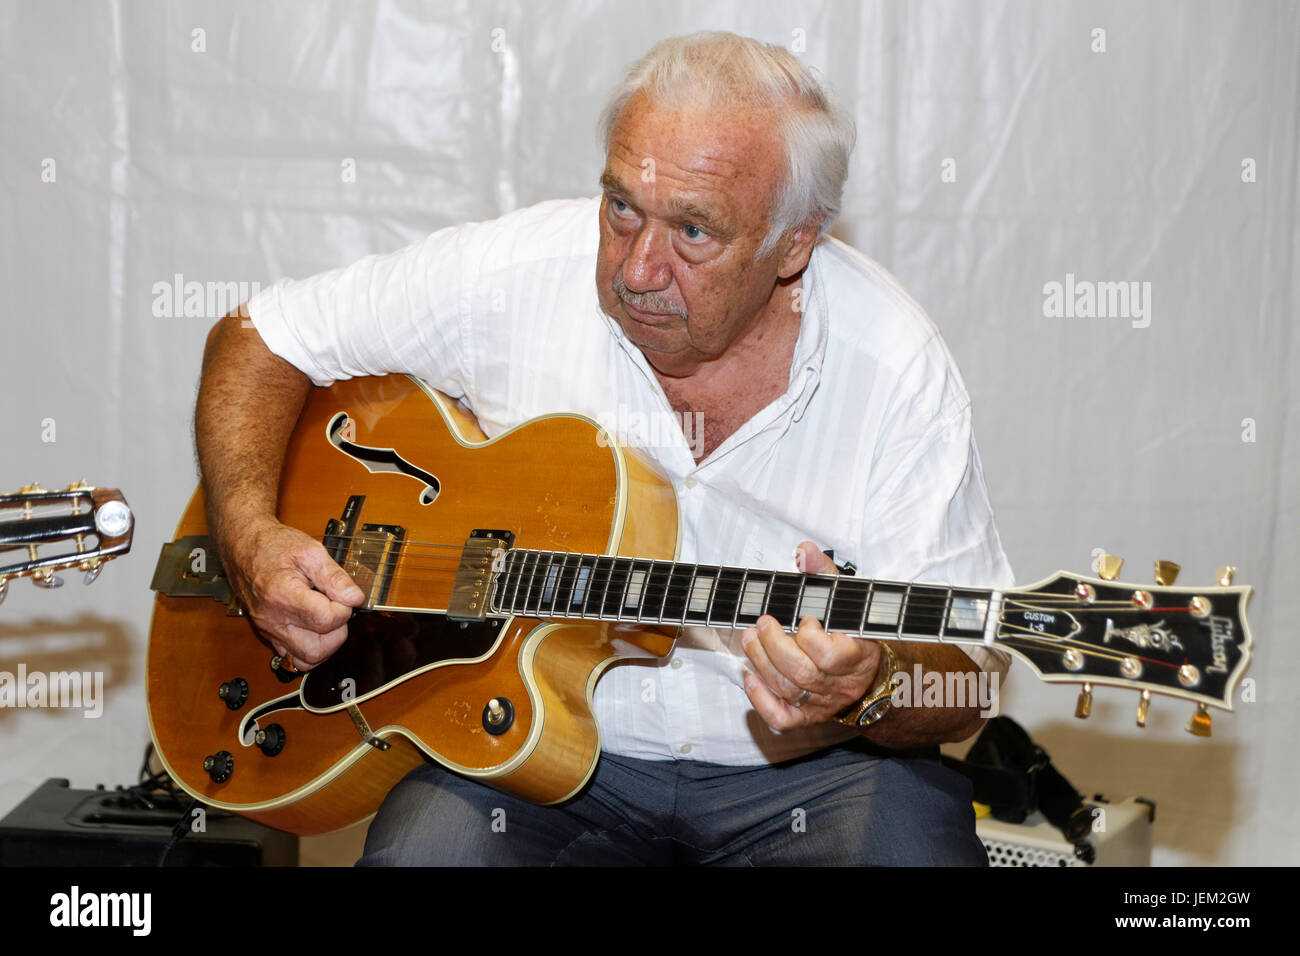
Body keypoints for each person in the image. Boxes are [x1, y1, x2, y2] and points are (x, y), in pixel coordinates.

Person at [195, 31, 1013, 865]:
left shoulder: (895, 366)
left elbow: (970, 681)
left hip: (821, 774)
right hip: (526, 753)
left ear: (793, 243)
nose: (638, 269)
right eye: (621, 208)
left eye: (695, 231)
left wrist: (871, 684)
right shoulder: (517, 272)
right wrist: (247, 533)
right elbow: (262, 335)